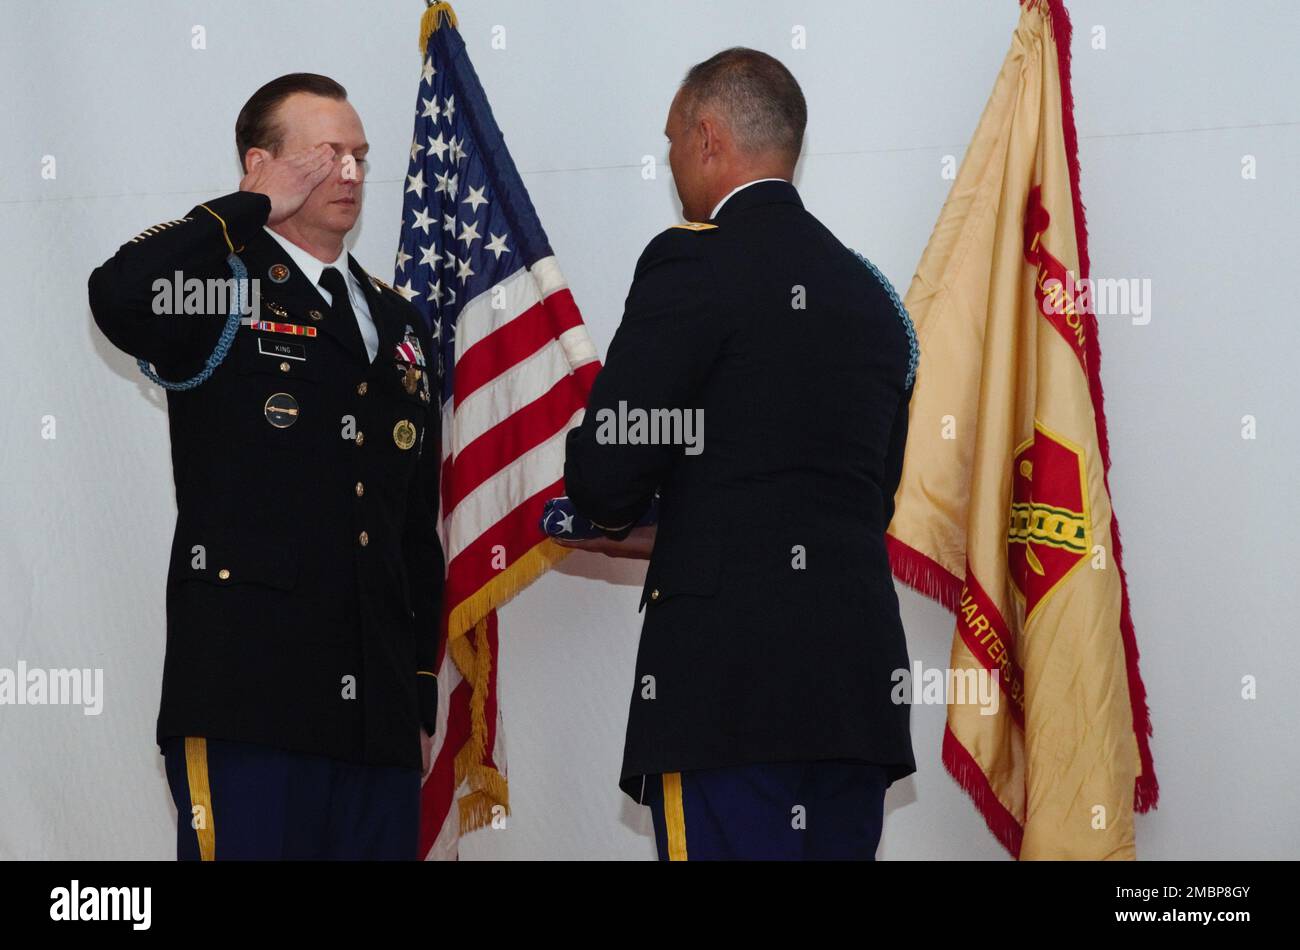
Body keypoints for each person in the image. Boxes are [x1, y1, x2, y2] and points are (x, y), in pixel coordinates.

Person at [562, 48, 918, 860]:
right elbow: (862, 497)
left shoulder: (695, 260)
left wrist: (606, 486)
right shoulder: (873, 298)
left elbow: (607, 475)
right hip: (854, 692)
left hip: (728, 694)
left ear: (709, 137)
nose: (672, 164)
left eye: (672, 143)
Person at [88, 73, 443, 860]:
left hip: (376, 718)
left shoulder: (397, 319)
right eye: (325, 156)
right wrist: (242, 209)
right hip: (251, 700)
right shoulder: (223, 285)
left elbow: (414, 525)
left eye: (359, 156)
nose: (349, 173)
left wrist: (417, 688)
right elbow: (119, 295)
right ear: (263, 164)